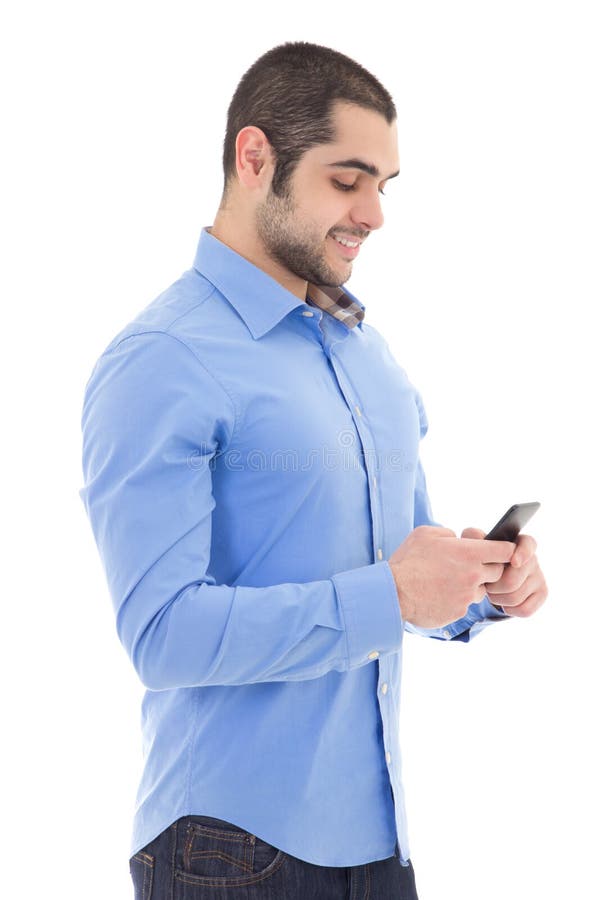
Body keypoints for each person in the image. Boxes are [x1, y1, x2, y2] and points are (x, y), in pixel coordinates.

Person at [78, 41, 548, 900]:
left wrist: (476, 586)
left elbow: (397, 562)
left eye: (384, 185)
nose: (374, 213)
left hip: (379, 840)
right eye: (348, 179)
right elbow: (161, 635)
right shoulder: (162, 358)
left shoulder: (369, 355)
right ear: (255, 158)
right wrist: (395, 594)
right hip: (227, 852)